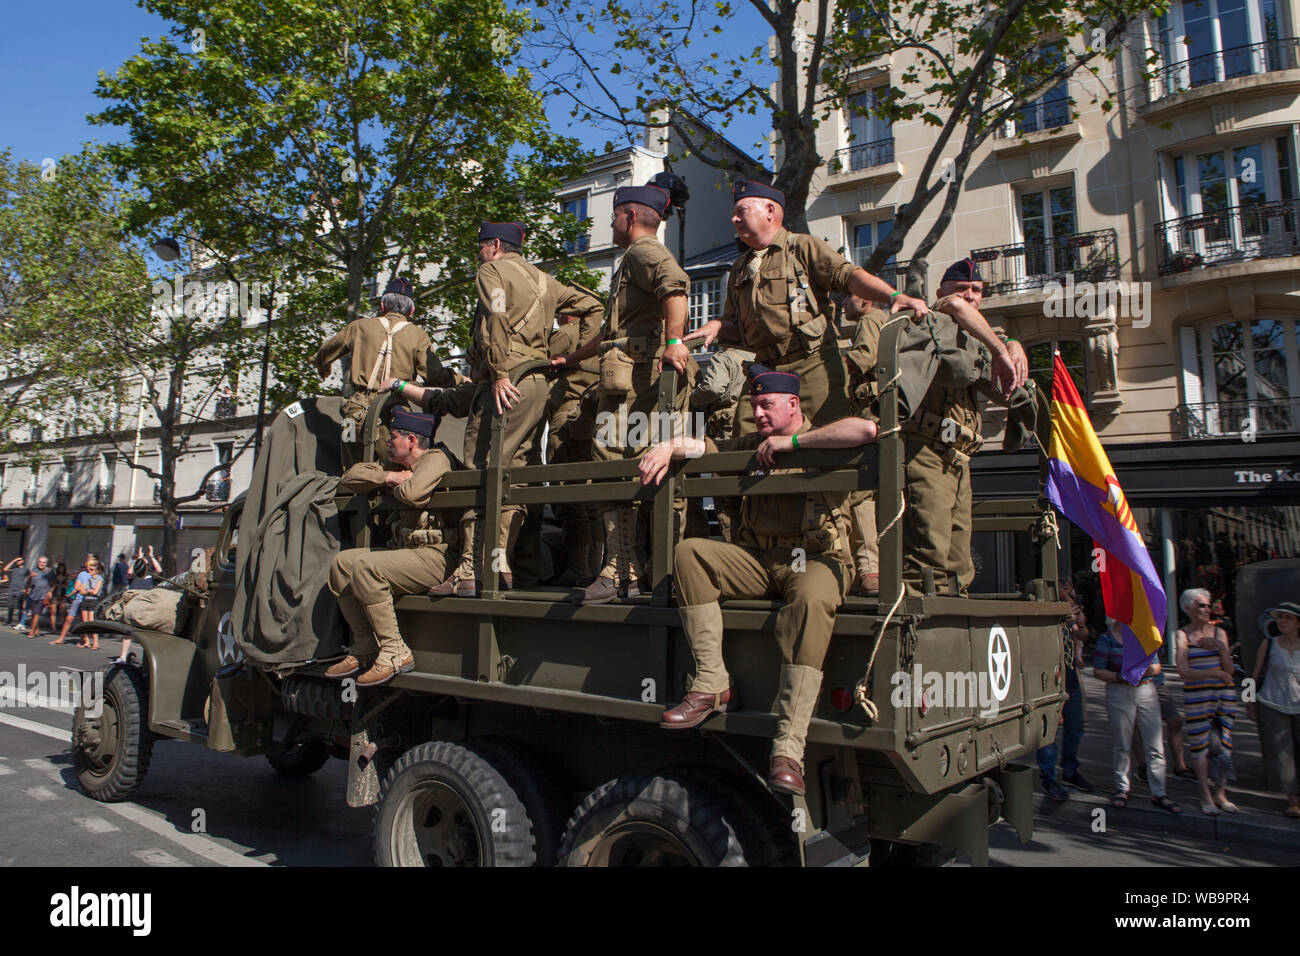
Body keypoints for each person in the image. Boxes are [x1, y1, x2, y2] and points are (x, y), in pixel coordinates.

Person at [642, 366, 876, 796]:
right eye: (754, 405)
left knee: (810, 601)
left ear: (794, 404)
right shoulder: (752, 443)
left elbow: (866, 429)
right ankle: (712, 681)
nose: (759, 413)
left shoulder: (822, 437)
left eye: (767, 405)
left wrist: (794, 443)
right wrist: (669, 445)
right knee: (691, 554)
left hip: (812, 560)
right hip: (759, 559)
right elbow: (705, 446)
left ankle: (788, 747)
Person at [413, 222, 603, 598]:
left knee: (481, 469)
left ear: (495, 245)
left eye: (481, 246)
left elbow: (497, 313)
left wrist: (499, 371)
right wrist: (573, 356)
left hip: (506, 381)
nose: (479, 254)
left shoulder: (492, 271)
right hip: (536, 381)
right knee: (522, 473)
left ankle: (472, 568)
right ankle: (520, 565)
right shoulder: (544, 280)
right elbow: (594, 306)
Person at [685, 180, 930, 433]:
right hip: (764, 368)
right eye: (733, 214)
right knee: (746, 446)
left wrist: (894, 296)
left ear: (770, 210)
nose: (734, 220)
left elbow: (849, 276)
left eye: (741, 212)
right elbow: (737, 325)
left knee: (827, 445)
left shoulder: (802, 247)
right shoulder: (739, 268)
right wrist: (717, 325)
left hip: (812, 364)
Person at [844, 258, 1027, 595]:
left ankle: (953, 630)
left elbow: (998, 380)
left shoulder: (974, 340)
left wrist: (1012, 346)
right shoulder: (933, 319)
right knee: (926, 557)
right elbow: (956, 308)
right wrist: (1002, 347)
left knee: (959, 563)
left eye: (978, 291)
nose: (970, 296)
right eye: (962, 289)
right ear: (941, 292)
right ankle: (918, 635)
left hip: (960, 454)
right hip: (926, 448)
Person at [550, 185, 694, 605]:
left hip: (639, 385)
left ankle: (622, 572)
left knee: (615, 468)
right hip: (632, 381)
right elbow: (612, 332)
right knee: (628, 470)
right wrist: (573, 358)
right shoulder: (631, 259)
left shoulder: (643, 253)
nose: (610, 224)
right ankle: (637, 571)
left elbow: (675, 287)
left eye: (613, 215)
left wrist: (675, 341)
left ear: (630, 217)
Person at [326, 408, 462, 686]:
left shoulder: (436, 458)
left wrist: (399, 482)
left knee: (367, 566)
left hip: (438, 556)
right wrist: (388, 477)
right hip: (408, 552)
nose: (387, 441)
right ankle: (365, 644)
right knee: (341, 564)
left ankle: (395, 651)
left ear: (411, 441)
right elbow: (350, 477)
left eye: (394, 436)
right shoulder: (396, 466)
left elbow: (413, 493)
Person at [312, 276, 433, 464]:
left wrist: (322, 363)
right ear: (411, 310)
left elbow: (327, 349)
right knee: (396, 467)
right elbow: (435, 374)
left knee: (351, 467)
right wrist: (459, 380)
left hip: (354, 414)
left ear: (383, 307)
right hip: (393, 414)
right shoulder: (418, 336)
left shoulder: (359, 327)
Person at [1092, 618, 1181, 813]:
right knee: (1122, 743)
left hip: (1146, 690)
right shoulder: (1107, 639)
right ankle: (1123, 788)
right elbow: (1098, 670)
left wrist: (1145, 670)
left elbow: (1156, 667)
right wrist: (1121, 676)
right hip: (1120, 691)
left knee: (1155, 743)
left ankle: (1159, 792)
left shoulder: (1143, 635)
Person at [545, 309, 603, 587]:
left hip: (567, 415)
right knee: (589, 499)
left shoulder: (566, 335)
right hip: (592, 415)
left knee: (567, 496)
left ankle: (578, 570)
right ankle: (594, 567)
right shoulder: (598, 335)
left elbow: (539, 363)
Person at [1176, 587, 1238, 814]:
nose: (1206, 609)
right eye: (1201, 605)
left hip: (1222, 697)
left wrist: (1221, 648)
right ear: (1188, 608)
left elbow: (1230, 669)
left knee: (1224, 744)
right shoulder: (1182, 635)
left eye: (1208, 605)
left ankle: (1221, 793)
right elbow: (1183, 670)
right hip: (1197, 698)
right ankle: (1205, 794)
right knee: (1199, 745)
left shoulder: (1219, 633)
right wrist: (1213, 674)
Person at [1248, 600, 1300, 818]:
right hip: (1271, 704)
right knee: (1282, 753)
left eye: (1288, 618)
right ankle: (1293, 800)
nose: (1283, 621)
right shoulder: (1268, 644)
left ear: (1298, 623)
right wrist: (1249, 702)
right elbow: (1253, 674)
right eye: (1280, 617)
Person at [1037, 605, 1093, 800]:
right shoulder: (1043, 616)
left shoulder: (1069, 620)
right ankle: (1049, 778)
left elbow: (1083, 636)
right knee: (1049, 732)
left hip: (1070, 678)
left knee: (1075, 726)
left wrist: (1080, 621)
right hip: (1048, 680)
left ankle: (1070, 770)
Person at [73, 556, 106, 651]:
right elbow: (81, 591)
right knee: (85, 622)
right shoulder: (88, 578)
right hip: (85, 600)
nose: (89, 571)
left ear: (96, 570)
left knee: (91, 622)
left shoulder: (99, 579)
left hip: (93, 601)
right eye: (89, 569)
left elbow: (95, 592)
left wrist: (86, 590)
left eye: (91, 569)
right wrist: (88, 590)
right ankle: (87, 641)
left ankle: (96, 642)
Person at [24, 556, 56, 638]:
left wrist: (50, 591)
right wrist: (30, 577)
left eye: (43, 562)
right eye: (40, 562)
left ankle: (31, 632)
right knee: (33, 614)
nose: (42, 564)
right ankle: (36, 630)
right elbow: (28, 583)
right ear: (38, 562)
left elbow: (53, 583)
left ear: (46, 563)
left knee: (36, 613)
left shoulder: (49, 571)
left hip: (43, 595)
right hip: (34, 594)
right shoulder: (34, 570)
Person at [3, 556, 28, 626]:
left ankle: (20, 621)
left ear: (23, 561)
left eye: (20, 560)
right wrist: (13, 561)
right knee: (11, 606)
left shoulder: (26, 569)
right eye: (18, 561)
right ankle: (9, 620)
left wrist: (26, 588)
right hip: (12, 589)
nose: (18, 561)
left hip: (20, 590)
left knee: (20, 607)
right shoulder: (14, 568)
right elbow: (5, 569)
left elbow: (30, 578)